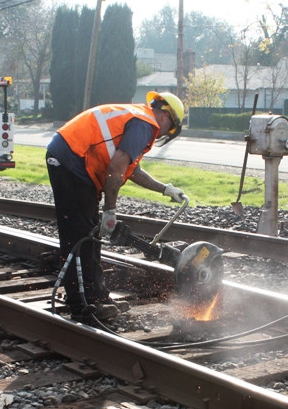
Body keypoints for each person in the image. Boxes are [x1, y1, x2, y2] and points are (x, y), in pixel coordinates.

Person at [45, 91, 188, 323]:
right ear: (164, 115)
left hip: (77, 162)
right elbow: (116, 169)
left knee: (89, 234)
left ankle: (96, 296)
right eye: (170, 128)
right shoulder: (144, 124)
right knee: (78, 236)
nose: (165, 133)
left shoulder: (138, 119)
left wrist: (165, 189)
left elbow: (132, 170)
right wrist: (110, 210)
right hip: (71, 160)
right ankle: (81, 304)